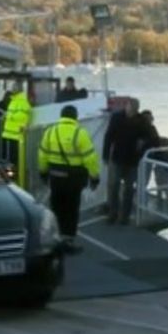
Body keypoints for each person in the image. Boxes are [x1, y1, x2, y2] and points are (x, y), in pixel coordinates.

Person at [39, 105, 101, 253]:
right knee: (71, 209)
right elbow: (90, 158)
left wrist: (43, 173)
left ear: (61, 116)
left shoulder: (50, 131)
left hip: (55, 176)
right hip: (74, 178)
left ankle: (55, 238)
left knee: (56, 207)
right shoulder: (80, 133)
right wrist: (94, 177)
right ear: (75, 117)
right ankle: (68, 240)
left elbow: (42, 155)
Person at [102, 99, 149, 224]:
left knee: (129, 188)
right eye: (130, 109)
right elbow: (109, 136)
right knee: (114, 185)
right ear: (126, 107)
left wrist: (143, 142)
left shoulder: (142, 121)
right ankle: (113, 213)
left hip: (132, 159)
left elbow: (149, 136)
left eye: (134, 110)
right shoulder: (117, 118)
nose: (131, 112)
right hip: (117, 157)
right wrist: (106, 155)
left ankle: (125, 216)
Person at [0, 82, 33, 173]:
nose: (13, 89)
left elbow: (23, 116)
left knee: (15, 157)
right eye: (13, 87)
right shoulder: (13, 101)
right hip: (10, 134)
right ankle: (11, 172)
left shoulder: (23, 102)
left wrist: (9, 116)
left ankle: (16, 174)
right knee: (11, 157)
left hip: (17, 134)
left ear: (20, 90)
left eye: (15, 87)